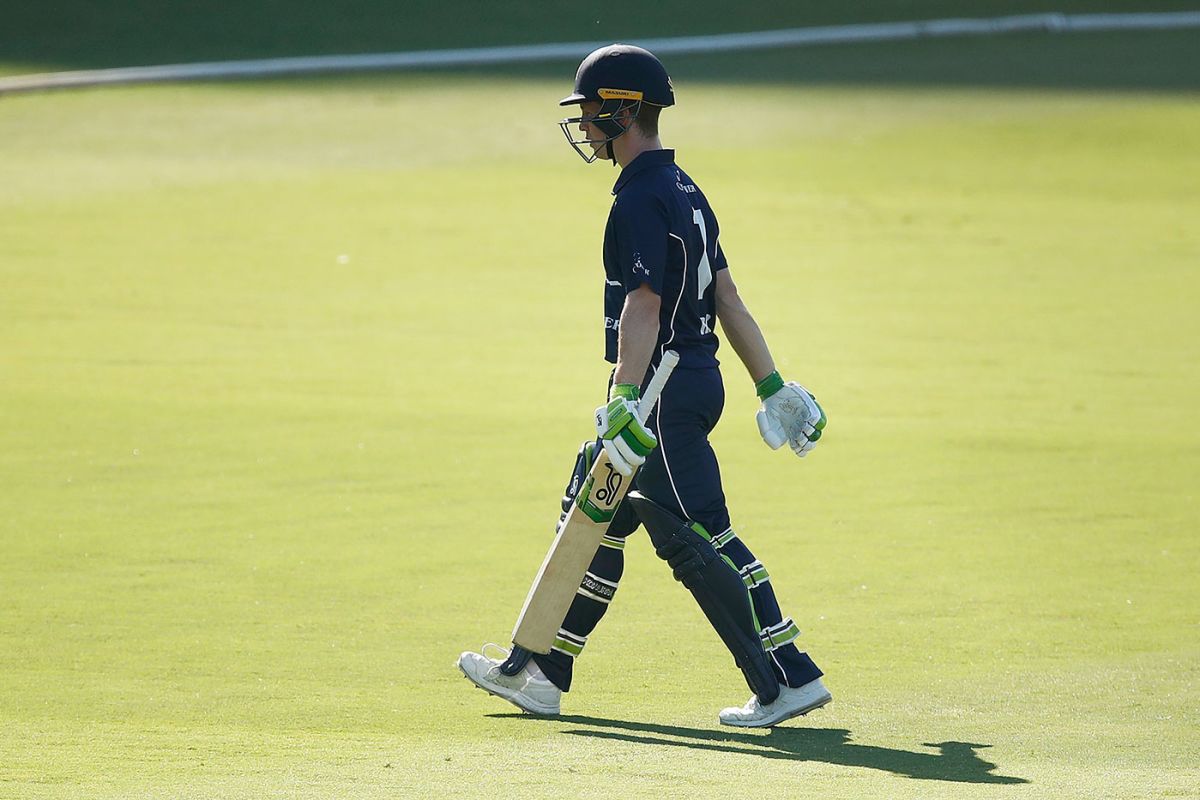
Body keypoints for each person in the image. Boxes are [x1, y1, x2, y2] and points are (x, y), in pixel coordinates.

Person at [458, 44, 830, 727]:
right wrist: (770, 383)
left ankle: (785, 678)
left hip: (660, 389)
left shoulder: (639, 195)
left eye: (594, 111)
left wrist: (626, 399)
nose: (587, 125)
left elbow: (646, 304)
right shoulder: (687, 190)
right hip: (686, 379)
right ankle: (539, 669)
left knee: (702, 538)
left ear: (623, 111)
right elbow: (728, 298)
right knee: (593, 516)